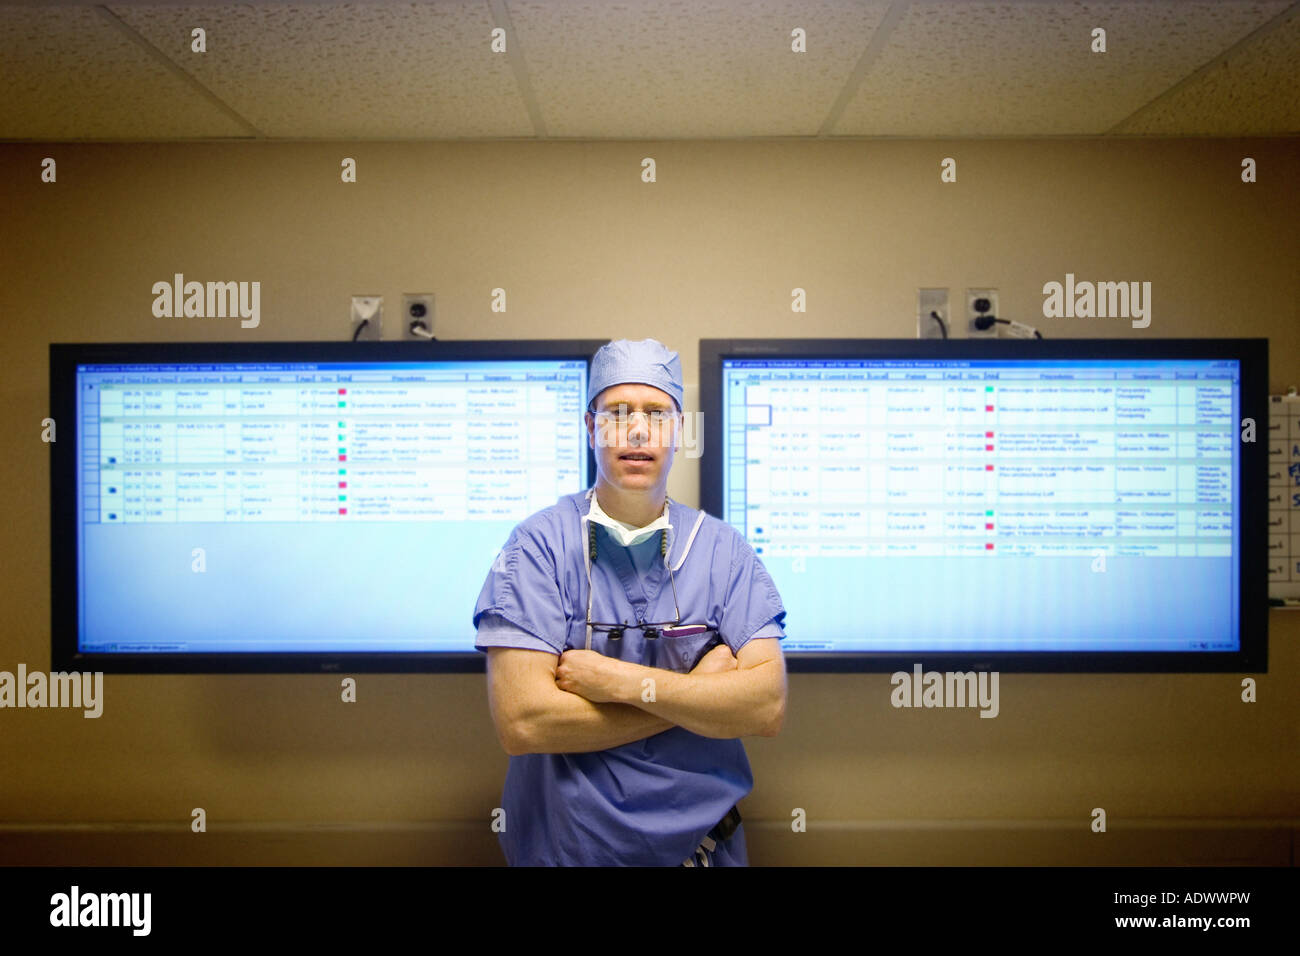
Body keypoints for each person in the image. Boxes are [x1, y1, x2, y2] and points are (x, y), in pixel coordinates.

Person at [473, 338, 788, 866]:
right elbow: (524, 723)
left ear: (679, 432)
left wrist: (614, 683)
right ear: (590, 426)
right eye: (617, 413)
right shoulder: (538, 549)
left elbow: (766, 706)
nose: (637, 430)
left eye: (656, 414)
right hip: (572, 850)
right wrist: (696, 694)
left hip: (704, 850)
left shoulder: (723, 552)